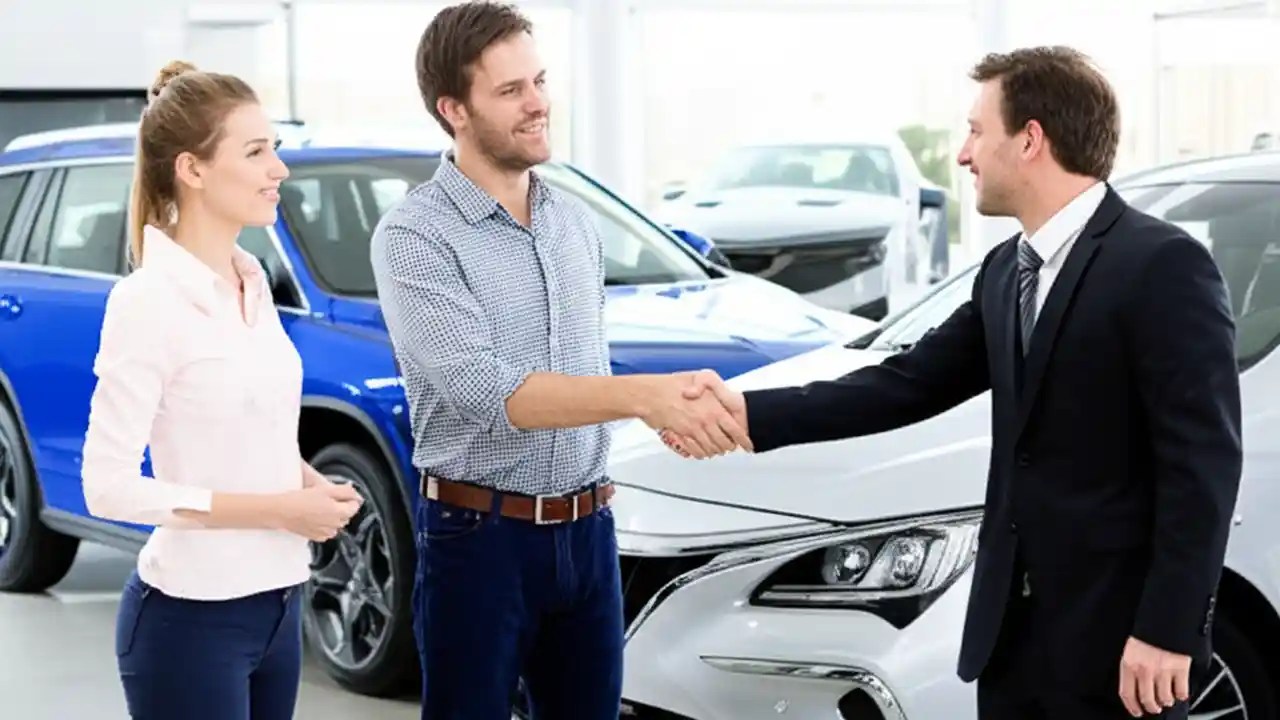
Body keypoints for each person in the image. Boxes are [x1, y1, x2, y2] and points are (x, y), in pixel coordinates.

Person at [675, 46, 1243, 720]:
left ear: (1030, 139)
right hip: (1010, 644)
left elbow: (1202, 465)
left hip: (1117, 643)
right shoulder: (1005, 270)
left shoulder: (1163, 265)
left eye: (976, 131)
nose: (965, 155)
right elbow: (906, 383)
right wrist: (742, 412)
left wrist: (1169, 629)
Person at [368, 2, 750, 717]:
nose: (539, 102)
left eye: (539, 81)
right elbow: (489, 391)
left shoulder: (573, 222)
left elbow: (583, 371)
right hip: (479, 543)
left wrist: (666, 413)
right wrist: (645, 398)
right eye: (511, 90)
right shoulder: (414, 236)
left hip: (590, 532)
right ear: (454, 110)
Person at [81, 60, 364, 720]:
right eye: (256, 151)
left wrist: (306, 486)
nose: (279, 170)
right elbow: (107, 486)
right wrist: (279, 510)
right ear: (193, 169)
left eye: (276, 149)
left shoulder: (252, 281)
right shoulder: (147, 301)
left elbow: (249, 429)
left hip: (280, 605)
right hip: (191, 623)